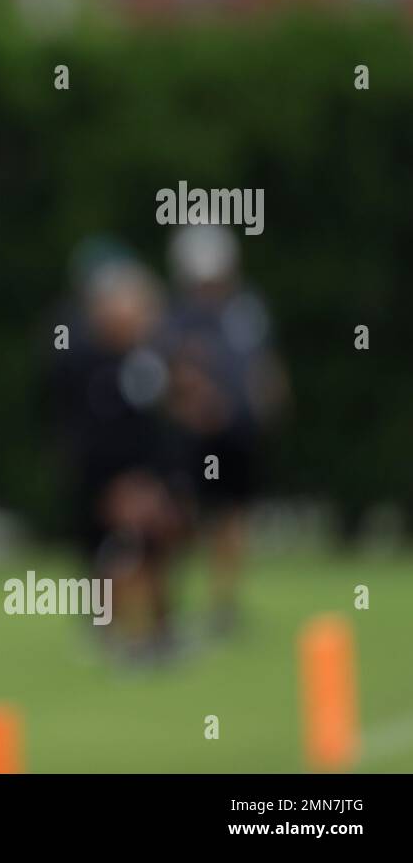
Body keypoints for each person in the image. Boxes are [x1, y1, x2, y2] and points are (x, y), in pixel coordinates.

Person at [51, 250, 187, 663]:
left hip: (149, 479)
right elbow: (94, 433)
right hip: (107, 481)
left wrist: (161, 482)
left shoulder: (149, 359)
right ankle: (119, 638)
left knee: (160, 546)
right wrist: (123, 488)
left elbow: (156, 427)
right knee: (120, 553)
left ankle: (161, 633)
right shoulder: (89, 363)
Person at [161, 222, 288, 636]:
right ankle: (170, 607)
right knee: (182, 516)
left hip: (238, 433)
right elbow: (170, 375)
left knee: (232, 516)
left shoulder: (246, 308)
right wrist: (191, 405)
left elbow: (261, 364)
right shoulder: (177, 316)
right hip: (194, 438)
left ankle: (223, 606)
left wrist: (268, 397)